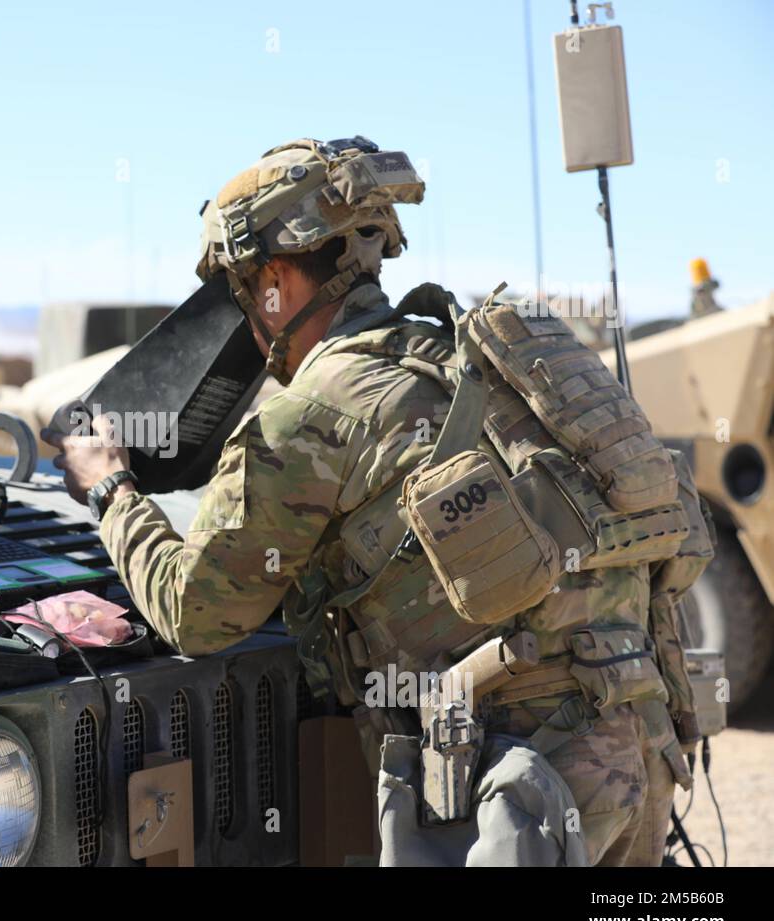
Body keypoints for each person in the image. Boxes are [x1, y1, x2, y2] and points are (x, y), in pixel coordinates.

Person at [44, 137, 694, 866]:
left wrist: (110, 487)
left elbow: (193, 612)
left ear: (278, 278)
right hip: (641, 747)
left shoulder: (312, 413)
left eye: (239, 287)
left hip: (522, 790)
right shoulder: (470, 363)